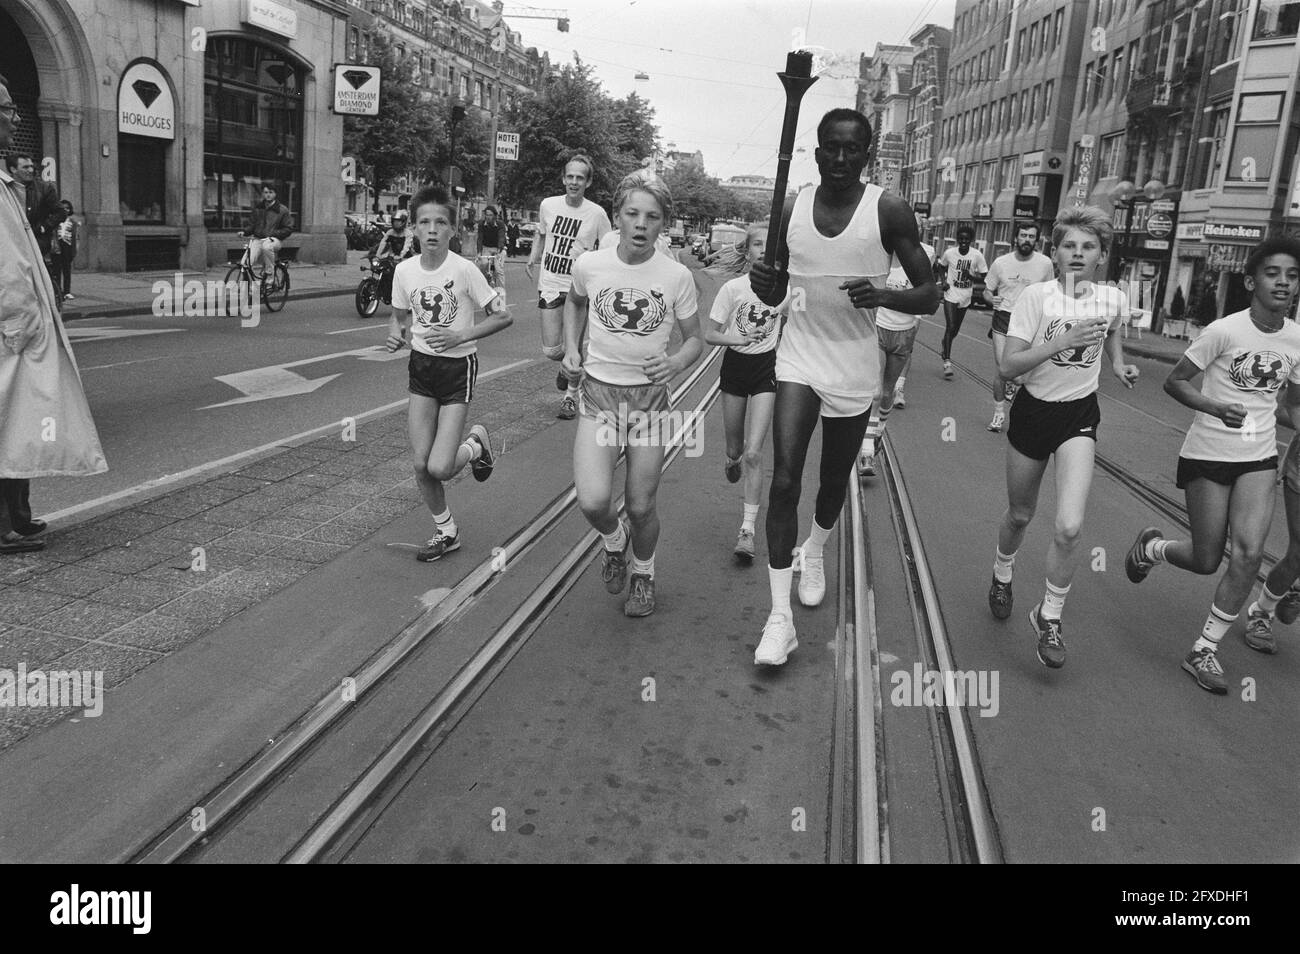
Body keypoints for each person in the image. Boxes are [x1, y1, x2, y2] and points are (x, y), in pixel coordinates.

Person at [749, 108, 940, 666]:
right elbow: (775, 287)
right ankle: (779, 618)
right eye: (830, 148)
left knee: (833, 481)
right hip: (799, 359)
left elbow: (929, 294)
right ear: (815, 151)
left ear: (867, 155)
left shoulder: (889, 209)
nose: (839, 159)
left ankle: (817, 548)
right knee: (785, 478)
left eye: (851, 150)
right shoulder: (791, 208)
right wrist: (767, 284)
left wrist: (884, 296)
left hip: (854, 367)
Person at [1125, 237, 1300, 694]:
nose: (1283, 282)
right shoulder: (1224, 330)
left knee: (1246, 554)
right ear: (1251, 281)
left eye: (1292, 276)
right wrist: (1215, 407)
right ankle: (1154, 549)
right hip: (1208, 453)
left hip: (1258, 456)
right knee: (1206, 559)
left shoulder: (1297, 339)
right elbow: (1175, 382)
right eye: (1273, 273)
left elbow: (1290, 408)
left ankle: (1204, 649)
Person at [986, 206, 1139, 668]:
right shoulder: (1036, 298)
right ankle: (1002, 570)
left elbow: (1111, 332)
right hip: (1033, 412)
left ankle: (1049, 615)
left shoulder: (1112, 299)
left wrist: (1116, 363)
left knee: (1070, 525)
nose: (1077, 253)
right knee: (1020, 513)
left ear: (1102, 257)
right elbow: (1008, 366)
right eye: (1069, 245)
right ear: (1055, 252)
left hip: (1079, 415)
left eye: (1088, 247)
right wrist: (1061, 341)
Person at [563, 174, 701, 617]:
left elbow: (695, 339)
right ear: (618, 217)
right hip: (599, 397)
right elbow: (575, 300)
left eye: (652, 217)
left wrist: (677, 362)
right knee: (593, 501)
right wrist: (571, 346)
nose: (641, 224)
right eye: (633, 214)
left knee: (641, 506)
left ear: (664, 224)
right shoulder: (591, 265)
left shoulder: (676, 276)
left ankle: (643, 573)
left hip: (648, 404)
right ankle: (613, 541)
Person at [0, 73, 106, 554]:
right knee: (9, 424)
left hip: (20, 328)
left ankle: (17, 516)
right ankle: (3, 524)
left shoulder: (7, 183)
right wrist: (20, 326)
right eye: (6, 109)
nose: (14, 117)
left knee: (22, 421)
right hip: (12, 330)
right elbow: (6, 266)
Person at [385, 185, 512, 562]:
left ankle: (475, 446)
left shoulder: (464, 269)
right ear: (414, 228)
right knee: (420, 464)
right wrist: (396, 334)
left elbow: (503, 316)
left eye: (441, 222)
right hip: (422, 369)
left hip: (459, 368)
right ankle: (446, 532)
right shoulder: (404, 271)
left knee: (440, 466)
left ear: (452, 230)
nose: (433, 229)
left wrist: (461, 334)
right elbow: (399, 319)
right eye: (424, 222)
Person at [704, 225, 787, 562]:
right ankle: (731, 456)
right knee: (737, 448)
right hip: (735, 369)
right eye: (757, 244)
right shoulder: (733, 288)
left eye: (770, 246)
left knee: (755, 453)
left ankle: (747, 531)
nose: (763, 251)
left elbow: (796, 325)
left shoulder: (786, 290)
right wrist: (737, 339)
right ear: (747, 251)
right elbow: (710, 334)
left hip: (767, 370)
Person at [525, 155, 612, 420]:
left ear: (588, 182)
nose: (574, 182)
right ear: (564, 179)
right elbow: (542, 234)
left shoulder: (597, 214)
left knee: (573, 345)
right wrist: (533, 257)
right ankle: (568, 367)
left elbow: (608, 248)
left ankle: (571, 397)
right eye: (570, 177)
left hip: (579, 288)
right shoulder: (548, 205)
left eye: (580, 178)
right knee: (552, 350)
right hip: (550, 282)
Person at [857, 238, 936, 477]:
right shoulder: (881, 256)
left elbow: (928, 296)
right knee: (876, 391)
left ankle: (879, 430)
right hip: (880, 328)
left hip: (904, 334)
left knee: (888, 392)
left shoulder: (924, 258)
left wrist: (915, 328)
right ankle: (867, 451)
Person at [982, 222, 1055, 432]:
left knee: (1020, 374)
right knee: (1003, 367)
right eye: (1023, 235)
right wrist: (990, 299)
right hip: (1004, 317)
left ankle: (1016, 386)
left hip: (1031, 320)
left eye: (1032, 237)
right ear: (1016, 238)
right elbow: (987, 290)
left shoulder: (1045, 264)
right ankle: (998, 414)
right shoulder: (1001, 262)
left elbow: (1050, 291)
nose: (1027, 240)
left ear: (1037, 240)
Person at [936, 226, 987, 379]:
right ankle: (947, 362)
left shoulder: (977, 255)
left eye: (966, 239)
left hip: (966, 295)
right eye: (961, 239)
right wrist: (944, 281)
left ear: (971, 240)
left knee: (954, 331)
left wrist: (971, 277)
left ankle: (945, 343)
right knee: (950, 326)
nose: (963, 242)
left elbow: (985, 276)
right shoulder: (950, 253)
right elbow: (940, 266)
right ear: (958, 239)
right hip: (951, 293)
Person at [4, 153, 60, 286]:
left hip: (36, 242)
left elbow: (60, 211)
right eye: (25, 167)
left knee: (38, 281)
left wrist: (44, 227)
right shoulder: (6, 188)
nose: (30, 170)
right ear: (13, 169)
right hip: (13, 242)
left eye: (31, 166)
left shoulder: (44, 188)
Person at [241, 184, 294, 286]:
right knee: (245, 264)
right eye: (266, 192)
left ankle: (269, 276)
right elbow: (252, 225)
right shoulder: (258, 208)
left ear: (275, 194)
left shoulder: (282, 210)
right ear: (263, 194)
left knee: (267, 246)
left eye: (271, 192)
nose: (268, 195)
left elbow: (288, 228)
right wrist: (244, 232)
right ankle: (251, 287)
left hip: (274, 240)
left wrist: (274, 234)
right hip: (258, 239)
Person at [367, 209, 416, 304]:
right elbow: (383, 243)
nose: (396, 224)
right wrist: (377, 256)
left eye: (398, 222)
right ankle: (385, 290)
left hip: (406, 258)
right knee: (384, 269)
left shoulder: (408, 233)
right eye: (394, 221)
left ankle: (405, 297)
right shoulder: (390, 232)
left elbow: (406, 247)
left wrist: (400, 256)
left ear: (403, 222)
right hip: (393, 256)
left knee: (400, 275)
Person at [52, 199, 79, 301]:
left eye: (67, 208)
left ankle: (67, 291)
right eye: (63, 208)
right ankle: (58, 290)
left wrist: (74, 250)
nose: (66, 210)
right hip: (57, 246)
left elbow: (75, 237)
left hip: (67, 246)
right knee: (56, 270)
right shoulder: (55, 220)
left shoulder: (72, 222)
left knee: (67, 269)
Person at [476, 206, 506, 285]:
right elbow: (480, 239)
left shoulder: (500, 224)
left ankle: (501, 290)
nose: (488, 217)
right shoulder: (481, 224)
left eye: (490, 215)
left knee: (499, 270)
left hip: (499, 249)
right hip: (486, 248)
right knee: (484, 264)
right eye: (487, 215)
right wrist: (479, 252)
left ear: (495, 216)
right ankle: (484, 284)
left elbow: (501, 237)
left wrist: (499, 250)